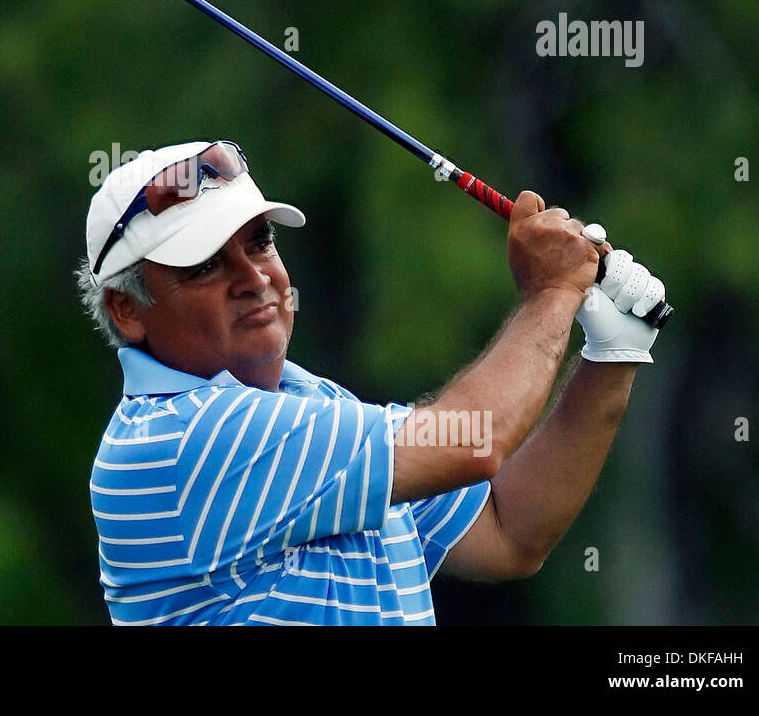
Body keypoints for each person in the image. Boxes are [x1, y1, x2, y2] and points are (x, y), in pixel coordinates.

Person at [77, 139, 666, 625]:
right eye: (205, 265)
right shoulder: (177, 438)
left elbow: (510, 531)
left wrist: (612, 356)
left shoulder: (316, 405)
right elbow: (472, 443)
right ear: (127, 309)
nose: (254, 278)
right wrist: (554, 293)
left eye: (260, 242)